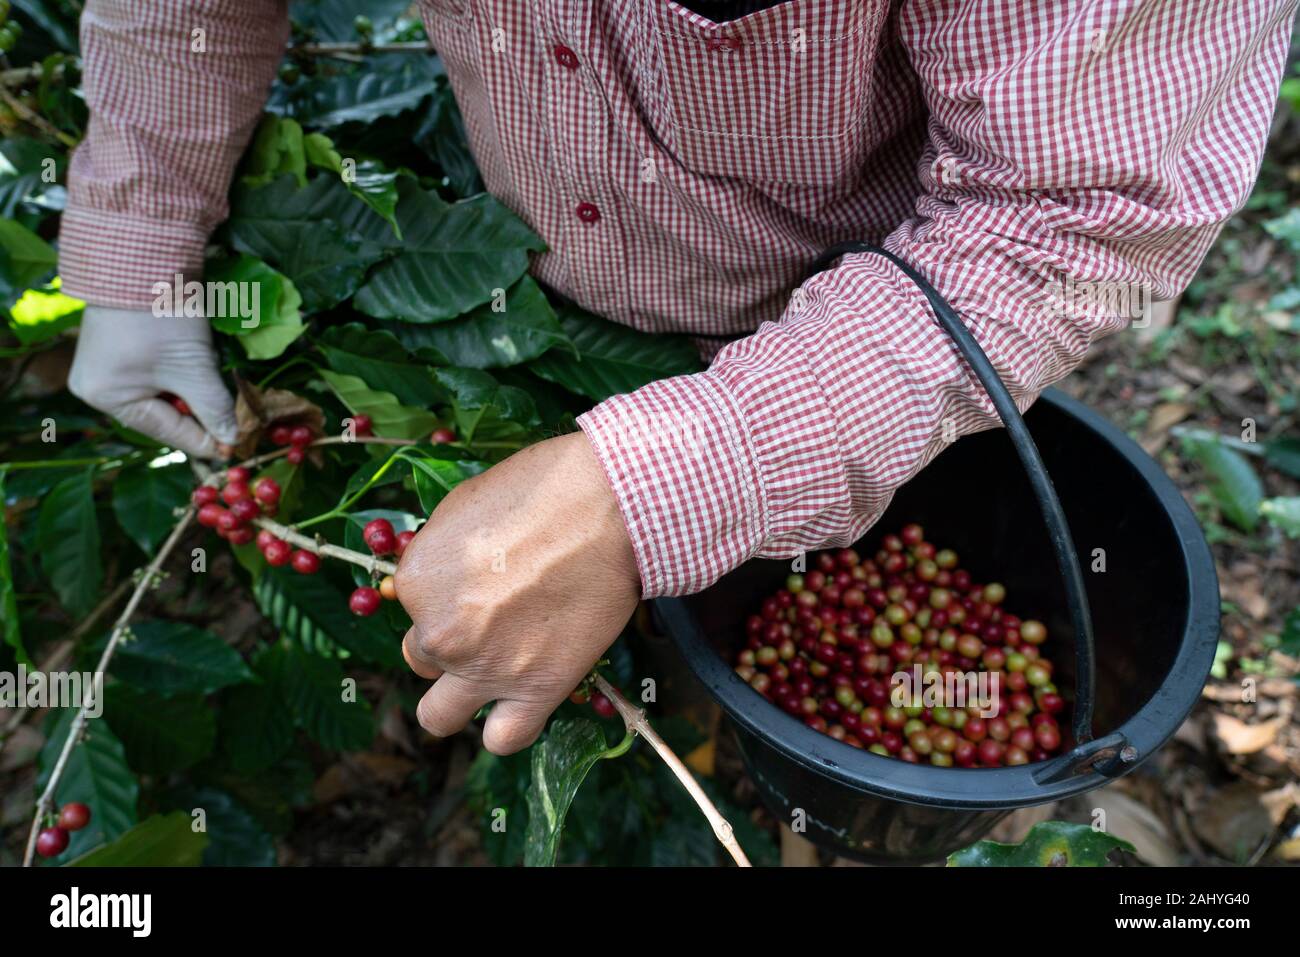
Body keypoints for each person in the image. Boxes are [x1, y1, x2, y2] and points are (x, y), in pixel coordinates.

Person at [62, 1, 1297, 755]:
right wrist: (138, 230)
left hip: (877, 314)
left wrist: (654, 488)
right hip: (545, 275)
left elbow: (1069, 221)